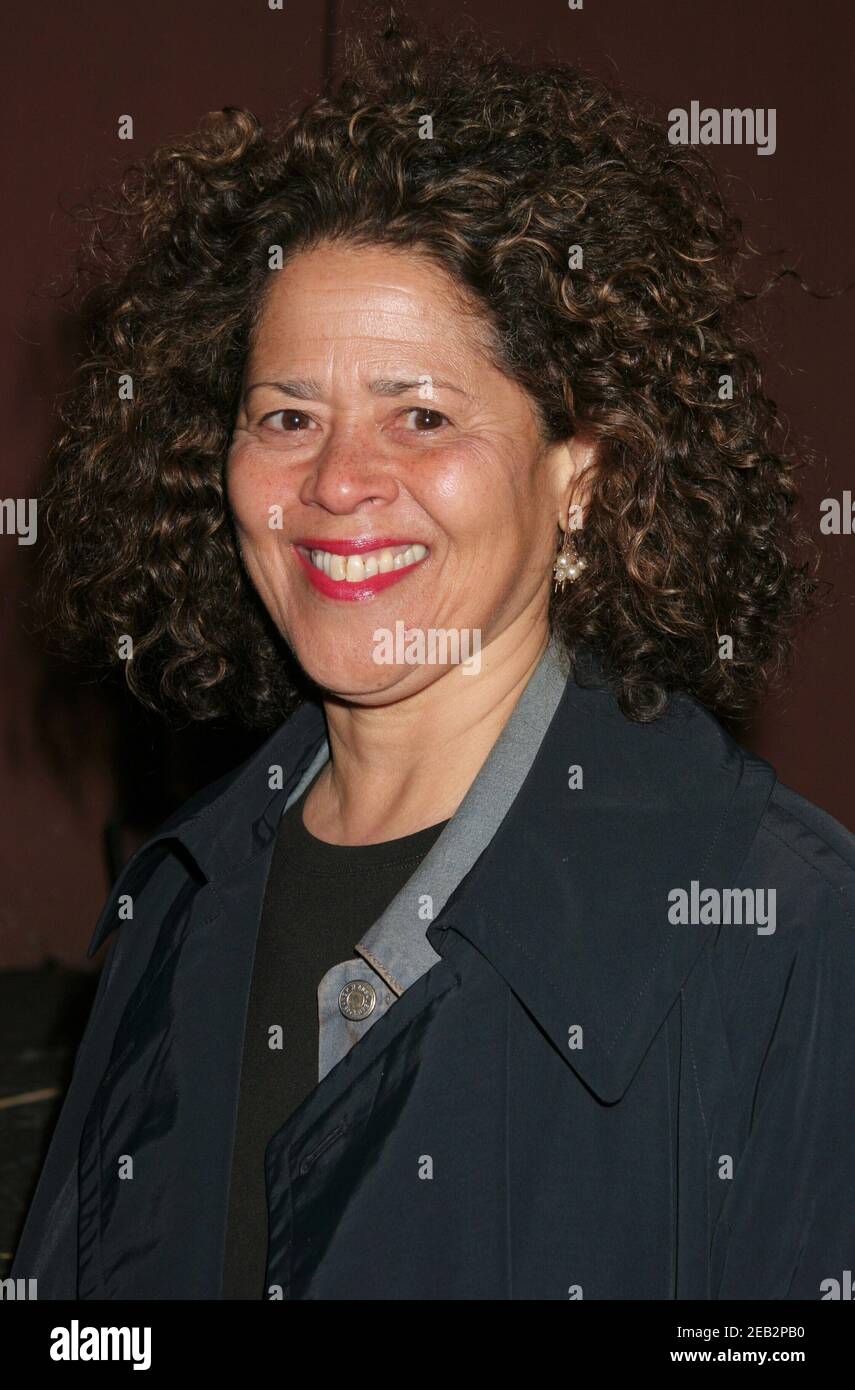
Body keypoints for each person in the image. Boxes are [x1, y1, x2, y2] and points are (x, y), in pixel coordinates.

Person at [12, 13, 855, 1300]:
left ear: (581, 474)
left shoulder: (787, 932)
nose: (341, 481)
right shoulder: (174, 906)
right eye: (286, 414)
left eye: (422, 414)